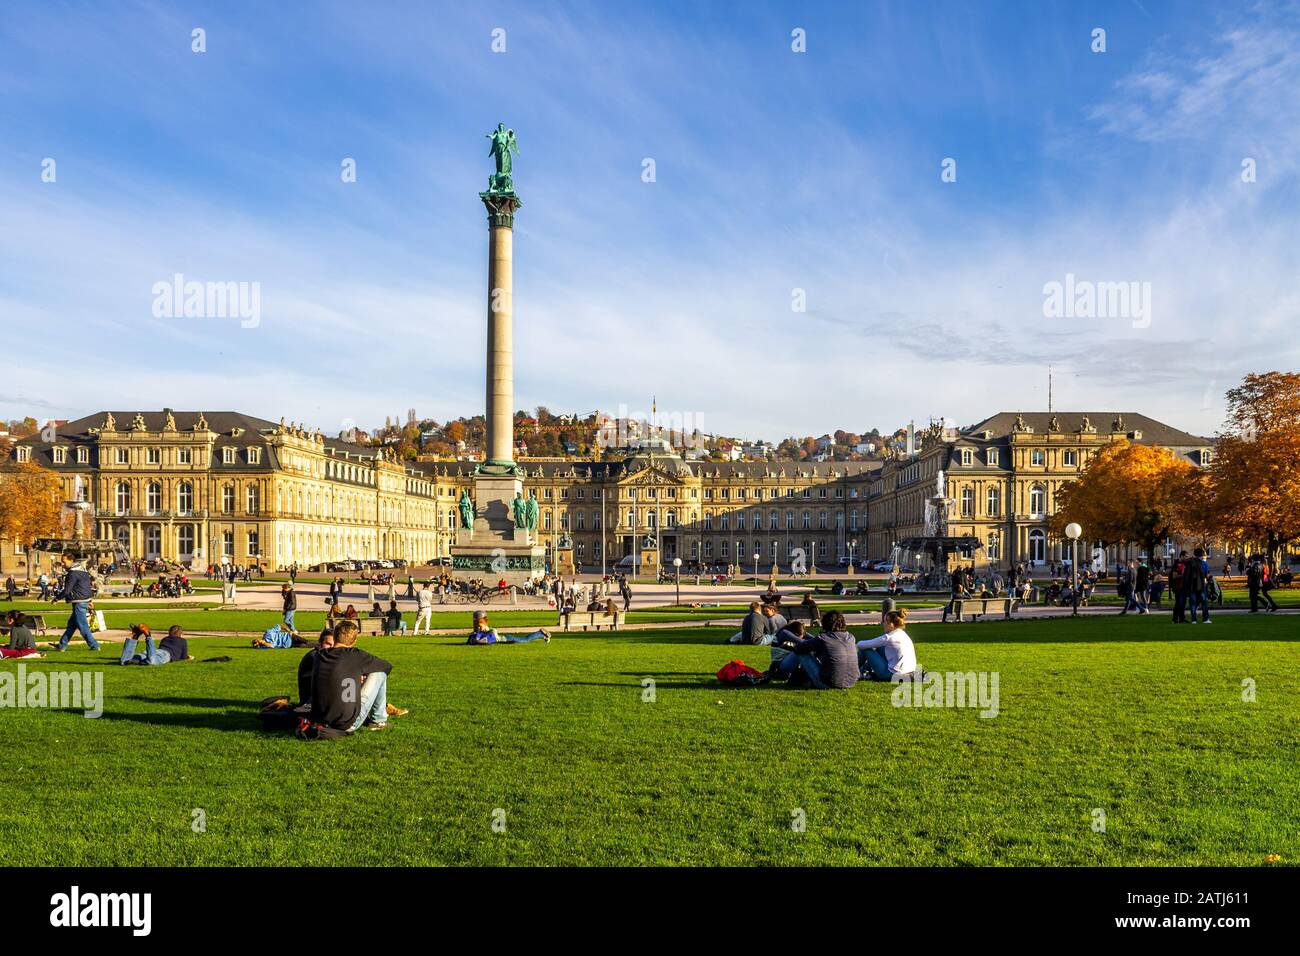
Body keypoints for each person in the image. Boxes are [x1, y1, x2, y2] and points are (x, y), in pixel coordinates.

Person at [310, 620, 395, 733]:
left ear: (334, 637)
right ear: (354, 641)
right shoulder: (356, 655)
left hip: (319, 720)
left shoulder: (319, 655)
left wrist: (354, 675)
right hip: (346, 723)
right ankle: (378, 720)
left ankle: (377, 719)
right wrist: (361, 675)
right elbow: (386, 666)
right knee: (379, 672)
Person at [778, 611, 859, 690]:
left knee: (802, 652)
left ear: (825, 623)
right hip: (851, 682)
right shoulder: (851, 637)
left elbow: (800, 648)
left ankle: (782, 672)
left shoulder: (823, 638)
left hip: (827, 683)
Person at [857, 608, 919, 681]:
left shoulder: (889, 637)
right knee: (881, 648)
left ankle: (853, 672)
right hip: (908, 671)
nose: (883, 623)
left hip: (891, 674)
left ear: (891, 624)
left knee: (866, 650)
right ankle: (864, 671)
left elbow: (860, 645)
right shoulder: (903, 634)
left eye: (885, 621)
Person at [54, 554, 100, 652]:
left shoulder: (72, 573)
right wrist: (90, 600)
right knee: (71, 625)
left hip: (79, 602)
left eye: (64, 561)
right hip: (84, 600)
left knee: (83, 626)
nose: (62, 564)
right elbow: (87, 587)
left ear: (71, 560)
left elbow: (67, 590)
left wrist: (57, 598)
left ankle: (94, 646)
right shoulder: (83, 570)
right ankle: (62, 646)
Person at [121, 623, 192, 665]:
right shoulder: (183, 641)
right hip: (165, 654)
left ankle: (135, 637)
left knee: (125, 660)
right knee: (152, 661)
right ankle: (148, 636)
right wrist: (188, 658)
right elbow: (183, 656)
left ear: (169, 633)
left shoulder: (165, 639)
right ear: (180, 634)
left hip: (155, 651)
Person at [466, 610, 550, 644]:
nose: (480, 629)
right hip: (507, 639)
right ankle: (542, 635)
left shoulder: (492, 631)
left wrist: (479, 634)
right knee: (525, 639)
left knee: (525, 640)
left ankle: (541, 633)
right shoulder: (484, 632)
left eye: (481, 627)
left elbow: (485, 641)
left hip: (508, 638)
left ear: (485, 625)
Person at [1184, 548, 1210, 624]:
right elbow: (1207, 574)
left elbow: (1186, 575)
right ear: (1202, 555)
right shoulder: (1204, 563)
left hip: (1191, 586)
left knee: (1193, 603)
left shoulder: (1189, 563)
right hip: (1201, 585)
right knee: (1204, 603)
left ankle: (1194, 619)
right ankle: (1205, 619)